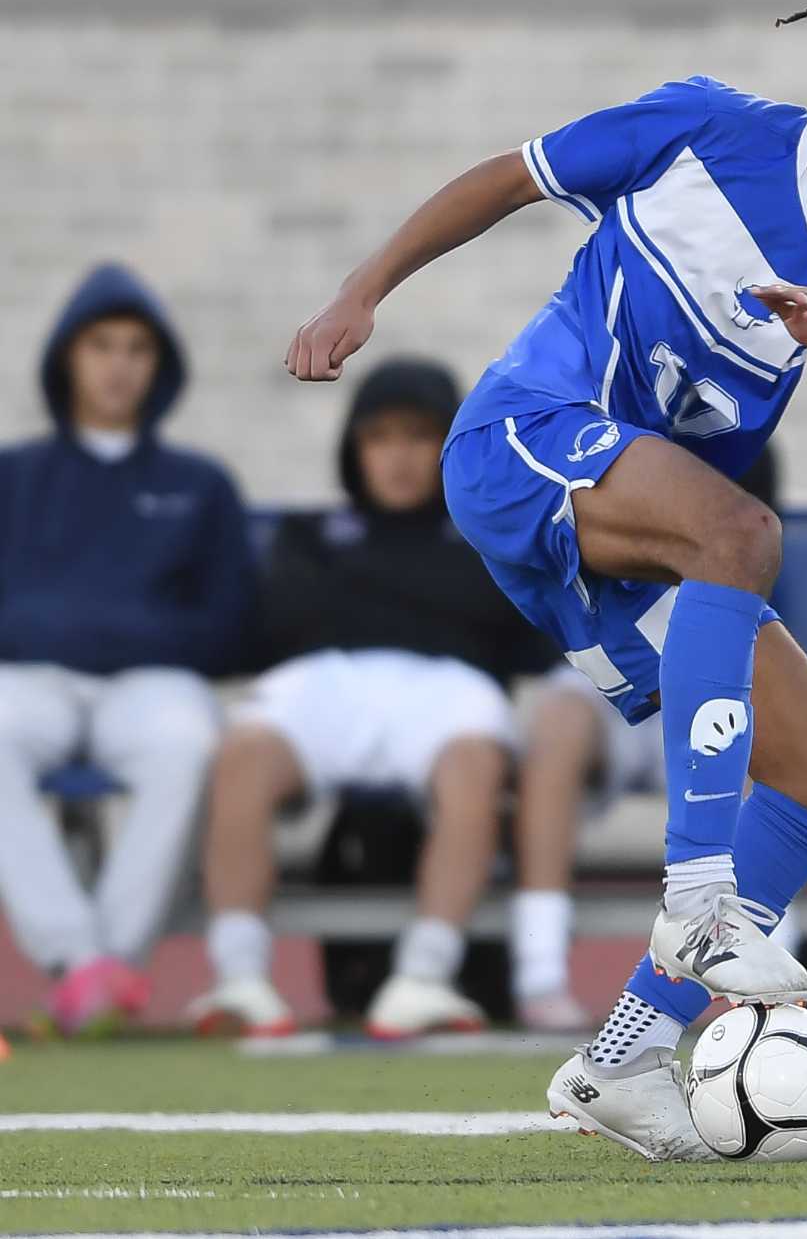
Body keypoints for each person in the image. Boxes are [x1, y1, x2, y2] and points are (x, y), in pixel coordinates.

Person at [282, 0, 807, 1160]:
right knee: (741, 530)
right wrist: (362, 289)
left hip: (631, 545)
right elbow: (509, 178)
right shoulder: (699, 127)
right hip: (519, 445)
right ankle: (696, 900)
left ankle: (620, 1059)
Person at [188, 358, 554, 1039]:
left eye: (418, 435)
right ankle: (239, 978)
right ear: (356, 447)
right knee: (242, 752)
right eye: (380, 436)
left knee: (475, 765)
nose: (399, 456)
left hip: (449, 692)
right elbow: (276, 623)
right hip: (323, 684)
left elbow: (522, 635)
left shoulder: (490, 534)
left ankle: (425, 974)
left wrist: (360, 591)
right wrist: (436, 598)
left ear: (449, 442)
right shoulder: (309, 532)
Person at [0, 264, 254, 1036]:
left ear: (160, 365)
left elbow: (231, 624)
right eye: (101, 345)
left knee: (190, 740)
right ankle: (83, 962)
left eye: (138, 348)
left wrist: (115, 633)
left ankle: (103, 968)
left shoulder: (201, 484)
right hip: (29, 677)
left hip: (154, 686)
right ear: (67, 359)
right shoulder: (12, 477)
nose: (118, 364)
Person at [511, 452, 780, 1034]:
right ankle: (539, 969)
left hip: (717, 669)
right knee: (556, 722)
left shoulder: (735, 422)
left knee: (766, 738)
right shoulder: (586, 429)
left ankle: (765, 980)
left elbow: (752, 551)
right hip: (612, 664)